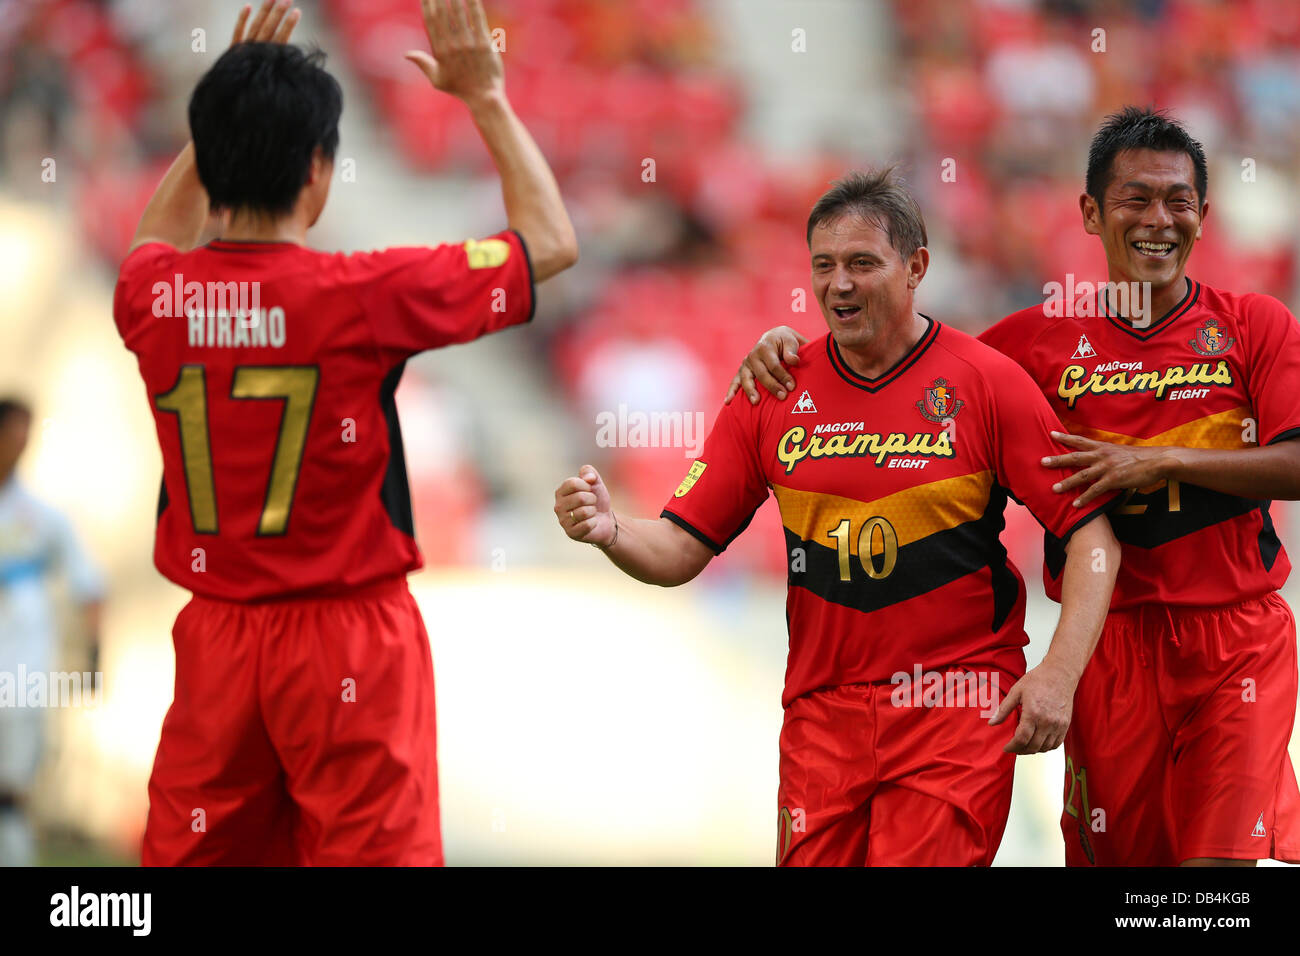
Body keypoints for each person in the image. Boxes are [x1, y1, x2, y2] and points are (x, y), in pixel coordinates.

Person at [726, 107, 1300, 867]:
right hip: (1105, 648)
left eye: (1179, 201)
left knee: (1214, 878)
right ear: (1091, 214)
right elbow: (907, 366)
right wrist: (793, 351)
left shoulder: (1255, 324)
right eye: (1135, 199)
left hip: (1234, 639)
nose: (1159, 219)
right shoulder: (1027, 344)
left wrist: (1160, 464)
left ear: (1204, 214)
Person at [113, 0, 577, 865]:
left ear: (209, 165)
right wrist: (484, 98)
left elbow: (155, 239)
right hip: (345, 639)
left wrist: (221, 120)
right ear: (320, 172)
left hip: (216, 639)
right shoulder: (364, 291)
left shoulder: (152, 296)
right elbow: (549, 242)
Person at [555, 167, 1119, 866]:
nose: (838, 284)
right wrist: (612, 530)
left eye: (861, 263)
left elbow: (1092, 535)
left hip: (956, 703)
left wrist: (1058, 673)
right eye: (823, 266)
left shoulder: (984, 382)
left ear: (916, 268)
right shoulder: (774, 387)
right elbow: (679, 547)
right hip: (822, 717)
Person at [0, 397, 104, 866]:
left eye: (26, 436)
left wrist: (93, 657)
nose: (19, 447)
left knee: (13, 787)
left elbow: (89, 583)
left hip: (24, 672)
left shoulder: (40, 516)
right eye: (13, 435)